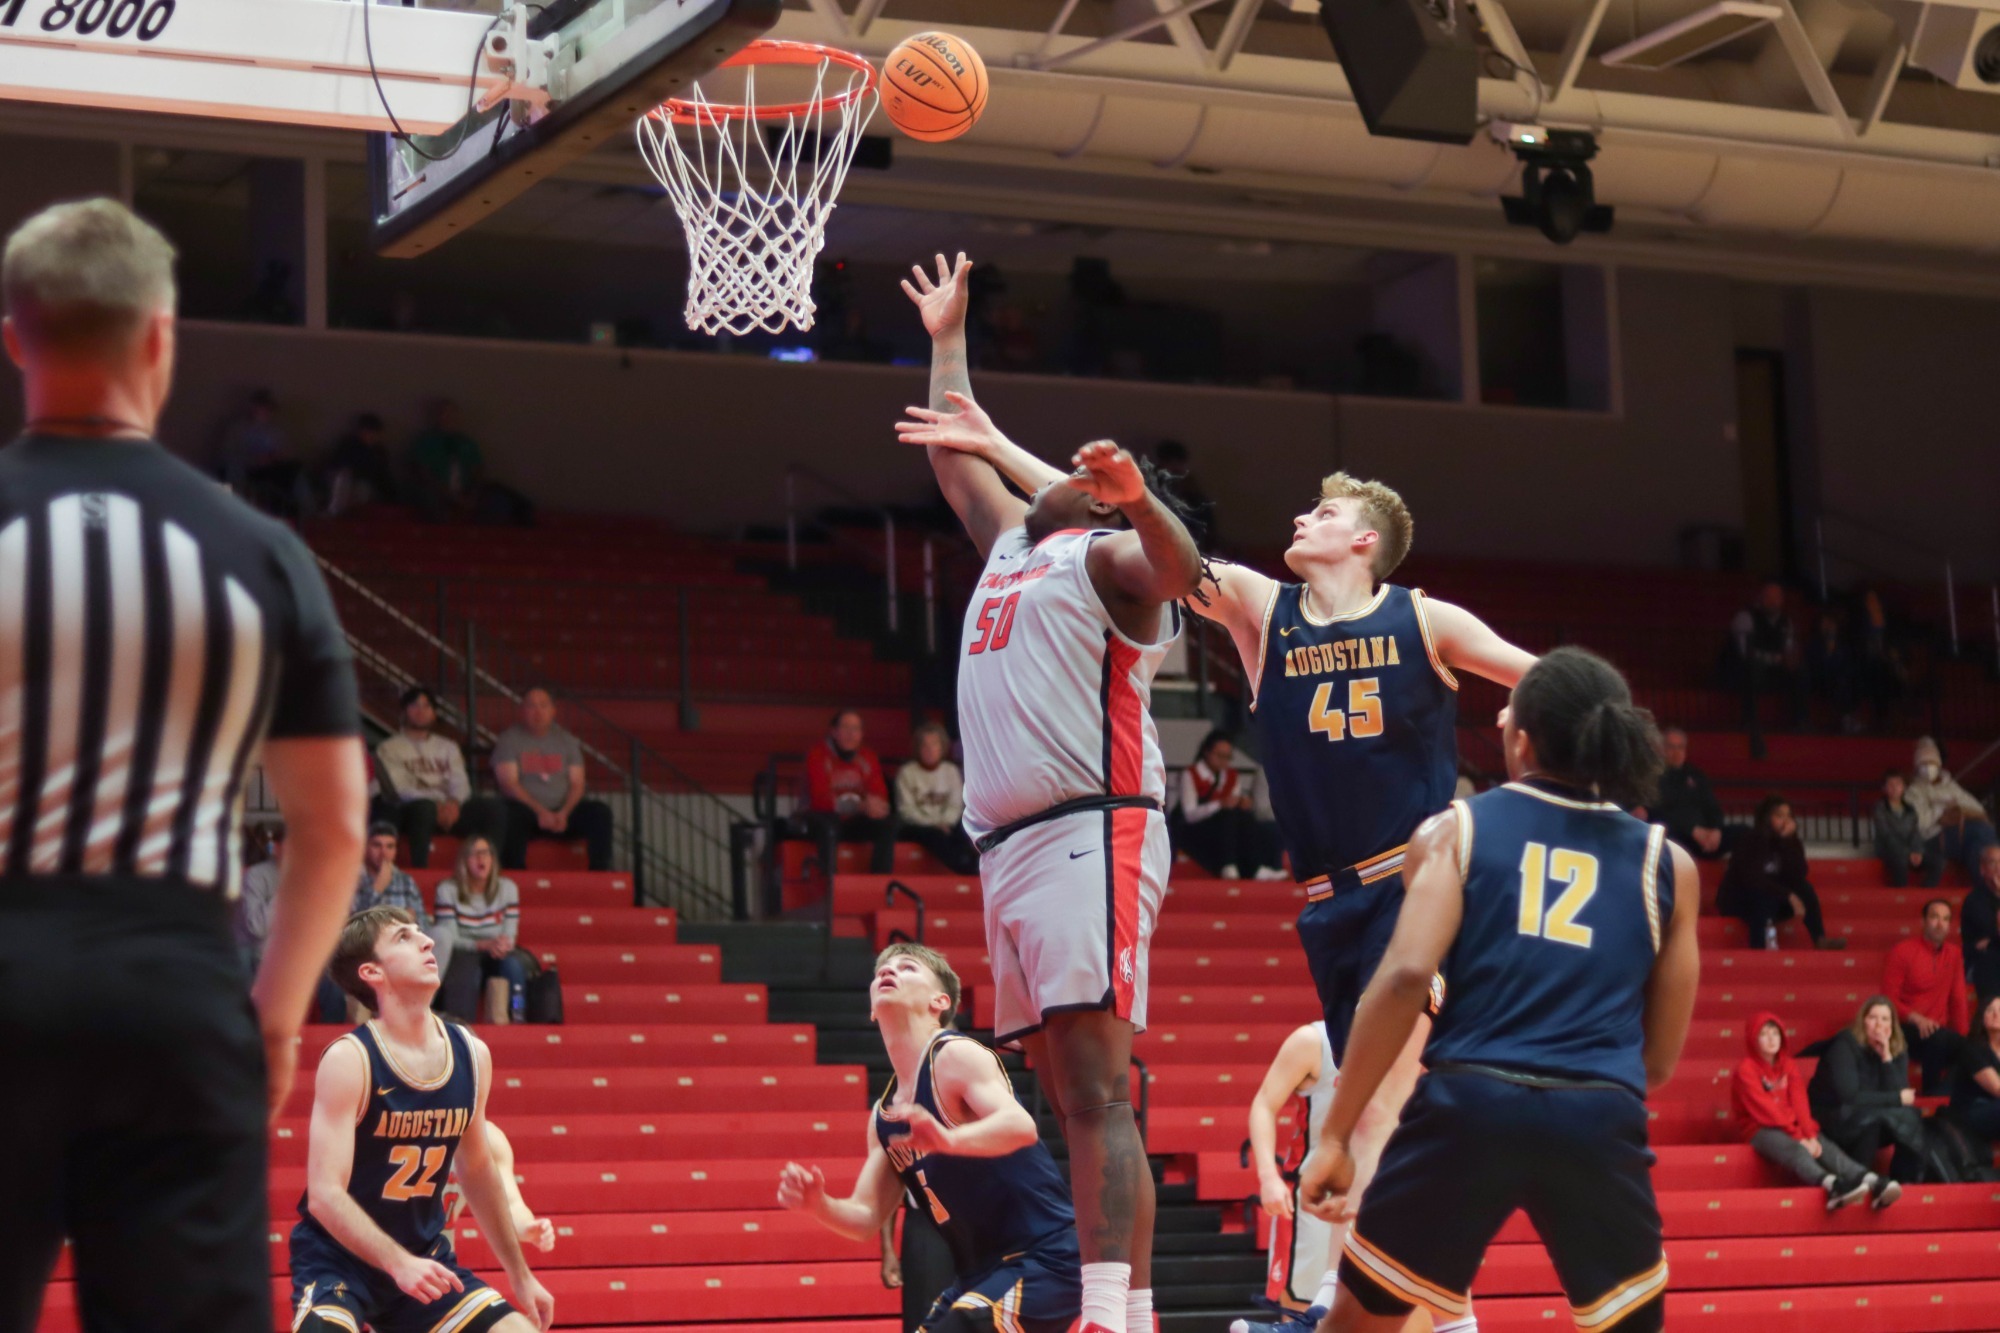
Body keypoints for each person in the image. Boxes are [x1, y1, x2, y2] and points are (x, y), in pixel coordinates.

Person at [901, 313, 1535, 1333]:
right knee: (1368, 1125)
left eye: (1323, 511)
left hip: (1411, 889)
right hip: (1327, 903)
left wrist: (1522, 736)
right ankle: (1418, 1307)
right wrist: (993, 444)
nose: (1304, 514)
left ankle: (1439, 1319)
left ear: (1363, 537)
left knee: (1388, 1120)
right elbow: (1110, 517)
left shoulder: (1423, 618)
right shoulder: (1255, 603)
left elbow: (1545, 677)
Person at [0, 197, 366, 1333]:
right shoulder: (257, 550)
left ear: (16, 336)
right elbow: (333, 827)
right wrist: (270, 1017)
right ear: (161, 338)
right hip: (177, 994)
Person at [902, 253, 1206, 1333]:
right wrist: (948, 335)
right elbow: (951, 452)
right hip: (1011, 849)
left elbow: (1180, 571)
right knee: (1071, 1094)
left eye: (1086, 479)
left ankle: (1113, 1313)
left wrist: (1139, 502)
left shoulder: (1107, 559)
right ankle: (1129, 1308)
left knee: (1093, 1090)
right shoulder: (1007, 550)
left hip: (1093, 830)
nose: (1066, 476)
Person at [1294, 648, 1701, 1333]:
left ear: (1520, 739)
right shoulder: (1670, 863)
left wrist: (1336, 1134)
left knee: (1359, 1323)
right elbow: (1657, 1061)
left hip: (1469, 1101)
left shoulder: (1455, 829)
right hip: (1595, 1111)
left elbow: (1402, 978)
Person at [777, 943, 1081, 1333]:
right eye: (883, 970)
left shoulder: (954, 1056)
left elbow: (1021, 1127)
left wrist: (946, 1140)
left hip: (1045, 1257)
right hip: (980, 1274)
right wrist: (818, 1204)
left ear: (940, 1001)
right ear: (872, 1008)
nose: (890, 971)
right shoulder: (883, 1116)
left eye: (908, 968)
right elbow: (866, 1218)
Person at [290, 906, 554, 1333]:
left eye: (420, 933)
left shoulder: (472, 1053)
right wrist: (397, 1263)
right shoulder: (349, 1059)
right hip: (338, 1261)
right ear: (372, 973)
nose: (427, 940)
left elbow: (478, 1168)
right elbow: (324, 1195)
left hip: (424, 1258)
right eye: (403, 938)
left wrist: (521, 1276)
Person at [1237, 1021, 1338, 1333]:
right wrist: (1268, 1176)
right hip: (1314, 1200)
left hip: (1378, 1192)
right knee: (1304, 1316)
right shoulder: (1313, 1040)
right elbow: (1264, 1104)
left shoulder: (1403, 1035)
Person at [1731, 1012, 1885, 1210]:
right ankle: (1832, 1186)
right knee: (1796, 1149)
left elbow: (1800, 1102)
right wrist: (1799, 1137)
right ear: (1753, 1038)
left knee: (1822, 1142)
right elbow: (1765, 1110)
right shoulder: (1746, 1069)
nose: (1771, 1039)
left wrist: (1809, 1134)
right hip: (1758, 1128)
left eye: (1775, 1033)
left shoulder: (1788, 1064)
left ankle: (1869, 1179)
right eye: (1764, 1034)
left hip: (1789, 1124)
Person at [377, 686, 504, 869]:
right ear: (404, 712)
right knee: (424, 807)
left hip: (449, 810)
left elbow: (461, 783)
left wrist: (453, 803)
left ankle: (490, 868)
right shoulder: (389, 748)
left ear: (434, 713)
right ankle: (419, 870)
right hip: (413, 811)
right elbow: (400, 788)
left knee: (493, 808)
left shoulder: (448, 746)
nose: (421, 710)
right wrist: (437, 803)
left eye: (427, 706)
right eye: (414, 705)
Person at [490, 687, 614, 872]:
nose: (538, 711)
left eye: (543, 706)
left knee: (600, 813)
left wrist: (563, 813)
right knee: (509, 816)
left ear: (553, 711)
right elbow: (509, 784)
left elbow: (577, 784)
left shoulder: (567, 741)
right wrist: (541, 812)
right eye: (531, 706)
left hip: (562, 813)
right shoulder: (509, 740)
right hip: (528, 811)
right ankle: (515, 874)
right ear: (522, 710)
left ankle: (600, 873)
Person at [1807, 996, 1923, 1192]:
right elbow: (1848, 1096)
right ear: (1863, 1021)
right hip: (1833, 1116)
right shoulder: (1845, 1044)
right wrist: (1895, 1098)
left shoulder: (1896, 1048)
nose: (1879, 1024)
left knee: (1910, 1117)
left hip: (1869, 1114)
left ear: (1892, 1024)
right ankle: (1861, 1181)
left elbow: (1901, 1100)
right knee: (1875, 1121)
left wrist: (1886, 1058)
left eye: (1885, 1019)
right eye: (1873, 1018)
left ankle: (1905, 1181)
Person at [240, 823, 347, 1024]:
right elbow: (256, 926)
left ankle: (330, 1039)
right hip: (265, 954)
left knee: (336, 974)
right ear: (277, 847)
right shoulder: (256, 876)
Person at [1716, 794, 1838, 950]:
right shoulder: (1751, 839)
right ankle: (1759, 947)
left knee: (1805, 888)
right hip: (1742, 899)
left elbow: (1799, 873)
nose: (1786, 821)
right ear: (1767, 818)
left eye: (1788, 816)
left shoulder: (1789, 841)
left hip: (1774, 897)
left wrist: (1788, 842)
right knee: (1764, 897)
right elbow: (1753, 879)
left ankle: (1819, 939)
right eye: (1779, 816)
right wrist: (1788, 895)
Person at [1882, 898, 1971, 1095]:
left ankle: (1944, 1095)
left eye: (1946, 919)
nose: (1940, 924)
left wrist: (1963, 1038)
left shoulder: (1954, 954)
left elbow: (1958, 999)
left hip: (1938, 1031)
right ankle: (1931, 1095)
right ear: (1923, 921)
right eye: (1935, 917)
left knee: (1972, 1050)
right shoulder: (1902, 951)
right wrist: (1916, 1018)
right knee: (1937, 1037)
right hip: (1905, 1028)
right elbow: (1887, 1000)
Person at [435, 836, 525, 1026]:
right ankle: (460, 1026)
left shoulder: (508, 889)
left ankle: (518, 1014)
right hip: (465, 949)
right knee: (465, 972)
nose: (481, 859)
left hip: (495, 950)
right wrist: (482, 944)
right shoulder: (447, 890)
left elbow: (511, 933)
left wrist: (502, 944)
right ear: (464, 861)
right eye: (474, 854)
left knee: (513, 966)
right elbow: (450, 937)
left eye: (485, 853)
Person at [803, 708, 898, 877]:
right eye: (846, 728)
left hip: (854, 820)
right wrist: (859, 805)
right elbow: (820, 799)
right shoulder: (817, 755)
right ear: (834, 732)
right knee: (827, 826)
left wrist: (874, 806)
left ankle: (880, 882)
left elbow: (879, 793)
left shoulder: (868, 757)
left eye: (856, 729)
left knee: (888, 824)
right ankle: (831, 884)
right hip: (825, 818)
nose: (851, 734)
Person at [1174, 730, 1281, 880]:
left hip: (1226, 825)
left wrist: (1242, 803)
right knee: (1228, 816)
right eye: (1219, 756)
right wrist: (1219, 805)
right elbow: (1190, 814)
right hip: (1197, 828)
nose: (1224, 761)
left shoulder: (1231, 775)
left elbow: (1235, 800)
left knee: (1245, 817)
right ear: (1207, 752)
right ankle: (1227, 864)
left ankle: (1255, 867)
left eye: (1227, 757)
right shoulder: (1191, 774)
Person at [894, 722, 979, 875]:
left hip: (947, 823)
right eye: (925, 745)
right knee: (935, 836)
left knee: (966, 829)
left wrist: (945, 822)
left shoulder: (951, 771)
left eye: (934, 745)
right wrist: (934, 824)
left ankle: (977, 863)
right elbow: (906, 810)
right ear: (918, 748)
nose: (929, 750)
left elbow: (955, 805)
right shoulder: (907, 773)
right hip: (918, 826)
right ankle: (963, 868)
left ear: (942, 747)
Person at [1908, 736, 1997, 879]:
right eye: (1923, 763)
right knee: (1979, 833)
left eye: (1931, 762)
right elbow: (1920, 823)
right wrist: (1941, 808)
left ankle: (1989, 886)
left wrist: (1957, 808)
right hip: (1935, 838)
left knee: (1982, 843)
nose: (1928, 767)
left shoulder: (1951, 785)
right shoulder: (1914, 792)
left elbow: (1978, 809)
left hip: (1967, 831)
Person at [1726, 581, 1806, 735]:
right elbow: (1745, 653)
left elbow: (1788, 652)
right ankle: (1749, 720)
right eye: (1769, 597)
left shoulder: (1785, 621)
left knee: (1799, 670)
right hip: (1744, 671)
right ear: (1761, 598)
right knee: (1753, 667)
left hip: (1774, 672)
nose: (1773, 602)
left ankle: (1801, 720)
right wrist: (1776, 658)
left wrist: (1787, 660)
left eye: (1777, 597)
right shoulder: (1746, 616)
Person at [1649, 727, 1727, 860]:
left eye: (1680, 747)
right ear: (1662, 749)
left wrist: (1716, 830)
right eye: (1671, 747)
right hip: (1678, 834)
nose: (1676, 752)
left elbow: (1712, 806)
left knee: (1743, 832)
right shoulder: (1654, 777)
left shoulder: (1696, 775)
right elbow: (1659, 811)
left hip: (1705, 834)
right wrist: (1693, 830)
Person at [1947, 993, 2000, 1146]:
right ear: (1982, 1017)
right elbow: (1997, 1088)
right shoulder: (1972, 1048)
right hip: (1971, 1111)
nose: (1996, 1014)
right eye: (1990, 1010)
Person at [322, 410, 398, 514]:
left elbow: (382, 474)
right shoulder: (348, 445)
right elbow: (338, 466)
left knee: (363, 487)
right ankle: (336, 512)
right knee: (344, 478)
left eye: (372, 432)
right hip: (342, 482)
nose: (369, 435)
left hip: (363, 485)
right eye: (366, 430)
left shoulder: (379, 452)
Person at [1873, 769, 1939, 888]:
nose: (1894, 788)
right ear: (1884, 788)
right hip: (1889, 850)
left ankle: (1926, 891)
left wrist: (1917, 850)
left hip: (1910, 850)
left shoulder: (1910, 808)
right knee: (1900, 857)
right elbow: (1886, 834)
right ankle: (1901, 892)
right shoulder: (1880, 808)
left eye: (1898, 784)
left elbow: (1915, 832)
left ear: (1903, 787)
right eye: (1890, 784)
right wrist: (1908, 852)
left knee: (1938, 860)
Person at [1964, 845, 2000, 1000]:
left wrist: (1991, 940)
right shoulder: (1975, 900)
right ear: (1982, 869)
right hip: (1982, 962)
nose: (1999, 868)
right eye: (1993, 863)